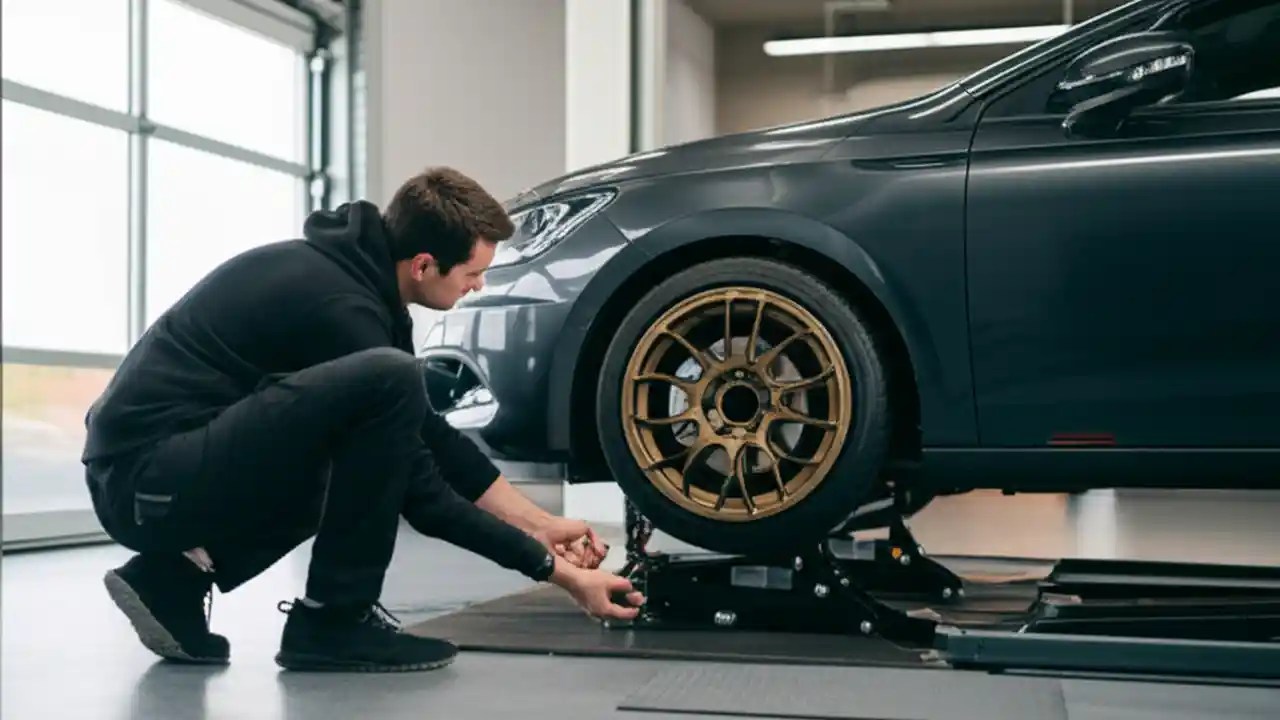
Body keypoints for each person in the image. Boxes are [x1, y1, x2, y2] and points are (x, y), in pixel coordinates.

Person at [82, 166, 645, 672]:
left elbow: (429, 435)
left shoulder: (363, 285)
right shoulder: (339, 307)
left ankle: (171, 582)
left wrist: (538, 522)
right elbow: (421, 491)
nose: (479, 285)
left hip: (160, 472)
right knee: (392, 382)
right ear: (424, 265)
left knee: (374, 412)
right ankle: (333, 623)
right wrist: (561, 574)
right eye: (473, 272)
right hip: (147, 479)